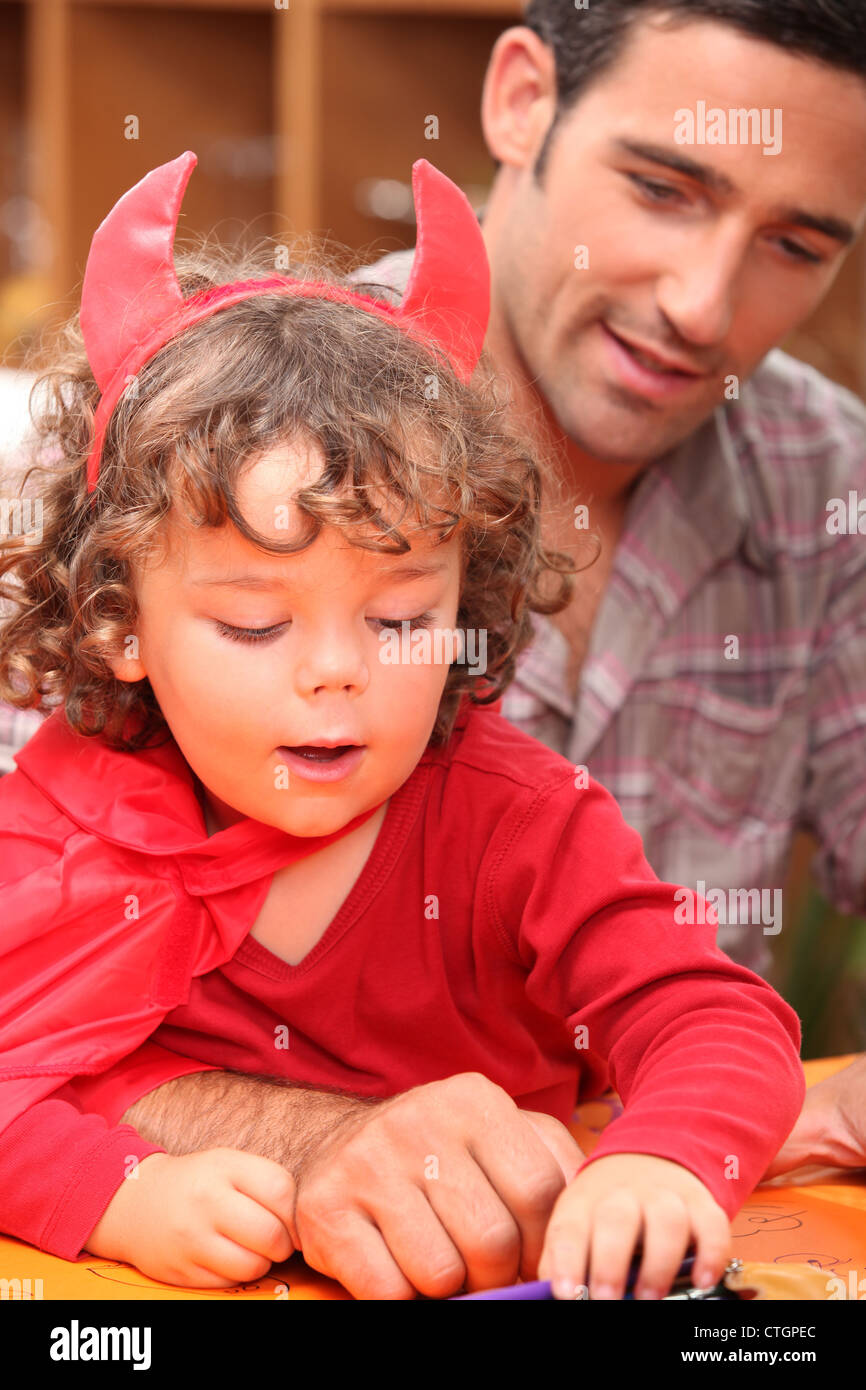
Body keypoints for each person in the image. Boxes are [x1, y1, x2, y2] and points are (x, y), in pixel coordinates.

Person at [0, 151, 803, 1302]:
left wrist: (661, 1160)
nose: (337, 674)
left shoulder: (521, 822)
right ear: (121, 622)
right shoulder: (65, 821)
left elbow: (708, 1014)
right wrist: (115, 1191)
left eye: (396, 616)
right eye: (252, 625)